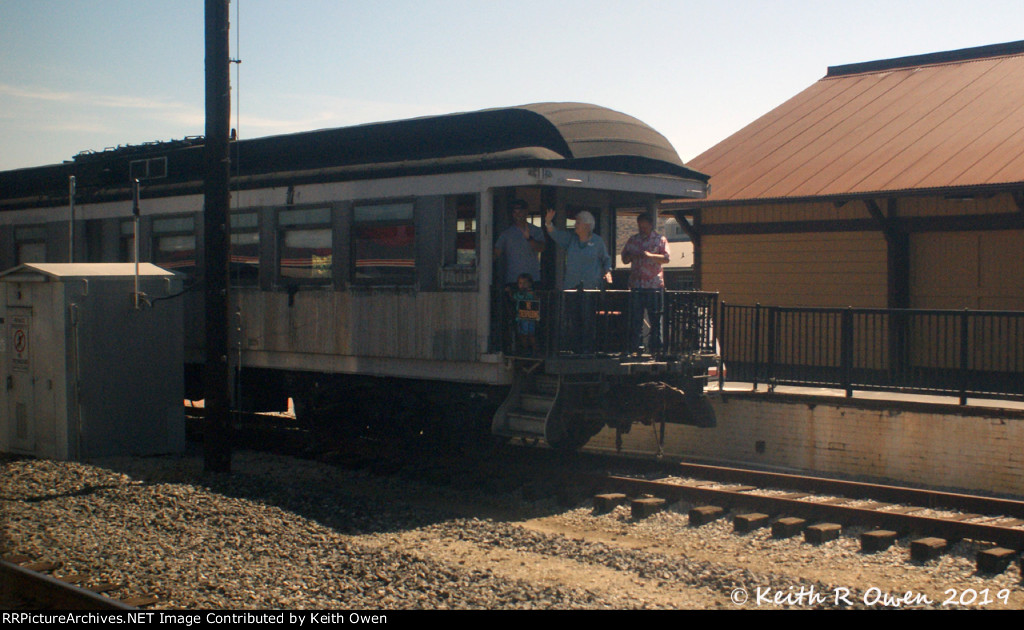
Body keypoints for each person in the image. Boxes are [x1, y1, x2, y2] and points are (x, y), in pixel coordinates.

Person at [545, 209, 612, 354]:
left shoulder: (597, 241)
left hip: (589, 287)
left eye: (578, 222)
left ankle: (587, 349)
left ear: (587, 226)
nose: (575, 225)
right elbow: (555, 234)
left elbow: (606, 260)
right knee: (573, 318)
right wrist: (548, 222)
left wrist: (608, 273)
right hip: (572, 286)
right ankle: (575, 348)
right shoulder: (571, 239)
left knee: (588, 318)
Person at [620, 212, 670, 354]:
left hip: (653, 286)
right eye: (640, 226)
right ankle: (636, 347)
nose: (642, 229)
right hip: (636, 285)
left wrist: (650, 256)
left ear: (650, 225)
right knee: (636, 319)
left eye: (644, 226)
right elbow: (624, 259)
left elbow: (666, 259)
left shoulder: (660, 240)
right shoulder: (633, 240)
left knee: (655, 319)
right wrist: (632, 256)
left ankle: (656, 349)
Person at [494, 199, 545, 288]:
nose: (517, 215)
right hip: (513, 279)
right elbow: (496, 253)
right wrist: (478, 262)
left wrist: (529, 239)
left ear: (526, 212)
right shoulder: (506, 234)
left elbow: (541, 248)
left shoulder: (536, 231)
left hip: (532, 279)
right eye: (515, 212)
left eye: (520, 212)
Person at [511, 273, 540, 356]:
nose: (522, 285)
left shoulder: (532, 293)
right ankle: (525, 350)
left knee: (531, 335)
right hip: (520, 317)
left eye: (524, 283)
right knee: (522, 335)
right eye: (520, 283)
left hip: (531, 318)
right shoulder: (518, 294)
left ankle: (535, 350)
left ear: (530, 283)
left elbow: (537, 300)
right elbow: (513, 298)